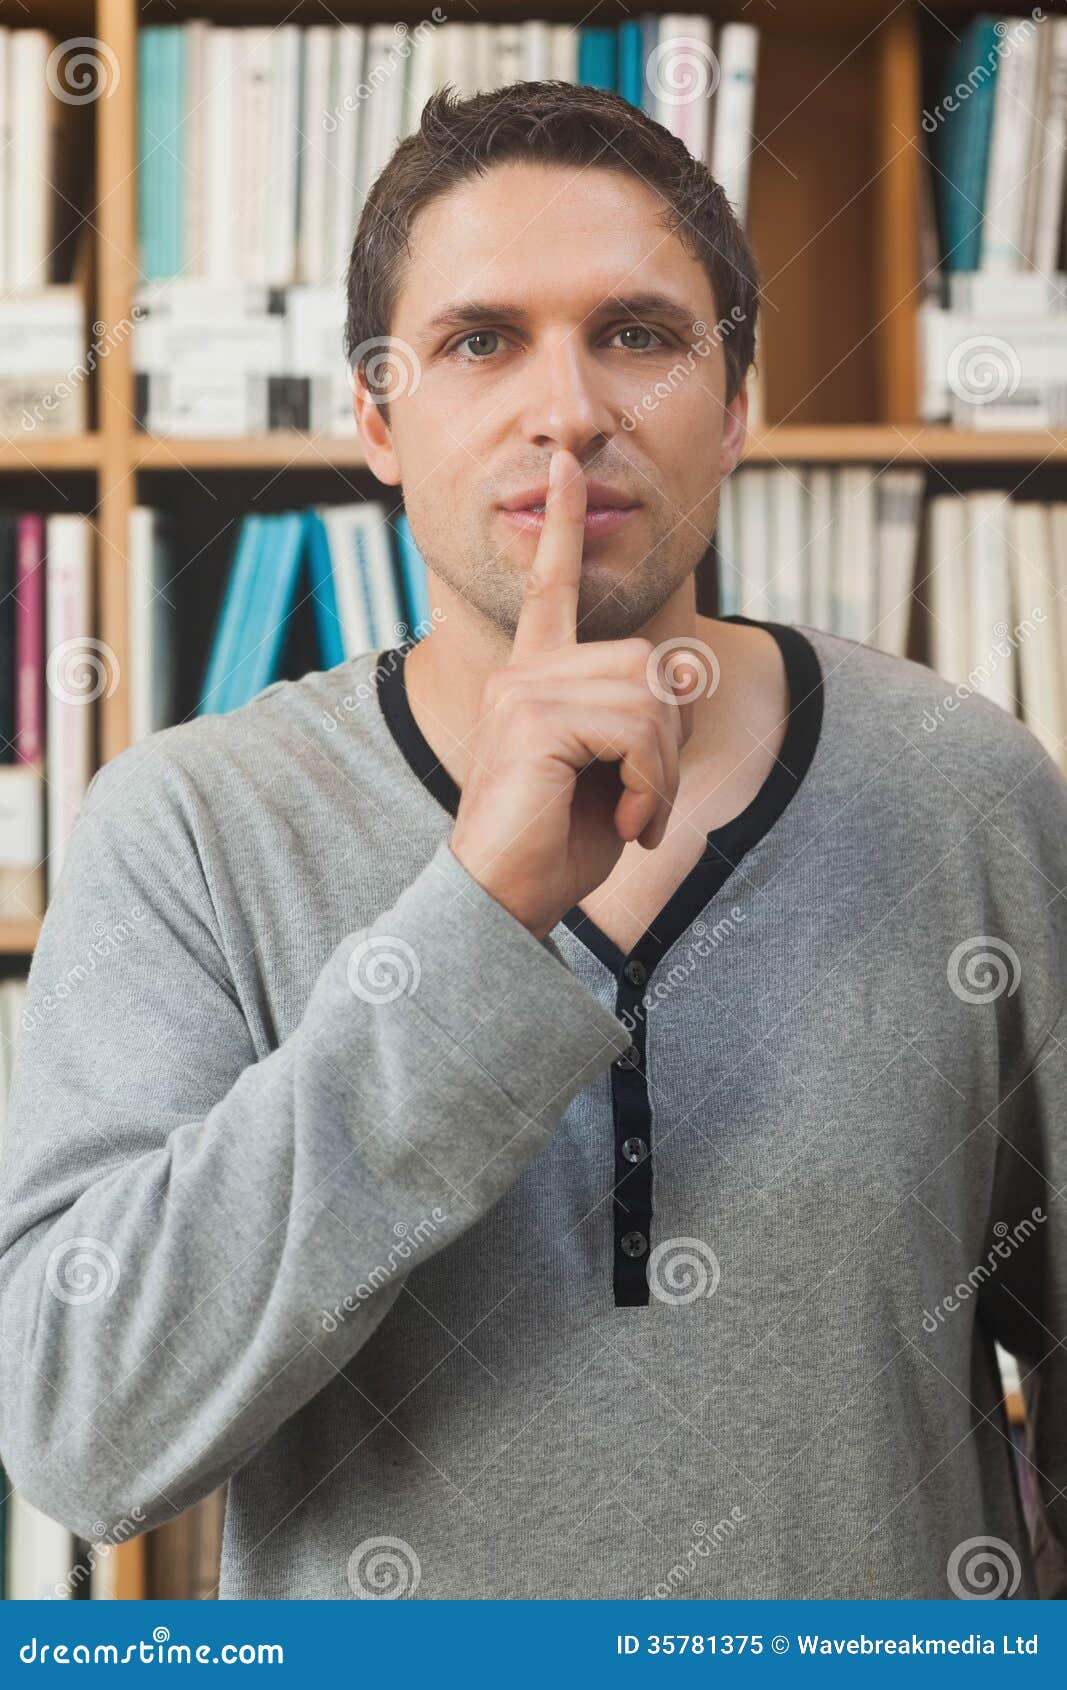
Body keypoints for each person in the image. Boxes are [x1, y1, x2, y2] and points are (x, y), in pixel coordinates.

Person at [1, 81, 1065, 1602]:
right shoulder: (190, 828)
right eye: (480, 341)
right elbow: (80, 1430)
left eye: (637, 334)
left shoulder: (970, 790)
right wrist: (474, 920)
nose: (568, 410)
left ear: (736, 403)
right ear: (378, 417)